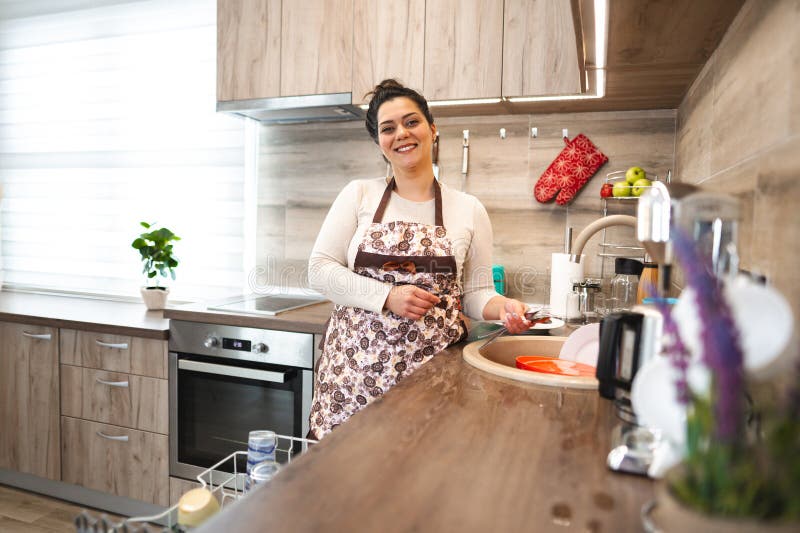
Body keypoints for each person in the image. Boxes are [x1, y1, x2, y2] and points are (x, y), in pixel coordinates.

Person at [307, 79, 530, 439]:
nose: (401, 134)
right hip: (353, 378)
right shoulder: (359, 194)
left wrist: (505, 308)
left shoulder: (468, 209)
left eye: (411, 122)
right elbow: (319, 271)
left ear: (432, 129)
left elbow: (477, 293)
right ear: (379, 142)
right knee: (347, 486)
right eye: (388, 128)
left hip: (432, 379)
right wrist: (388, 296)